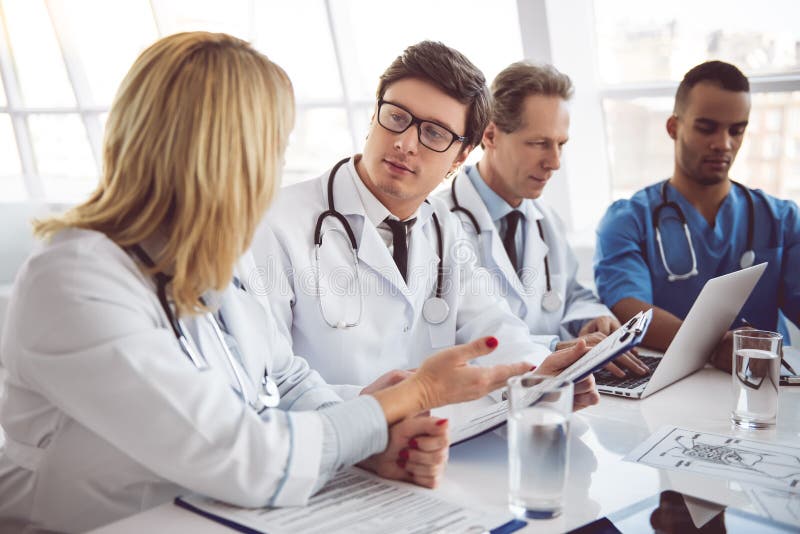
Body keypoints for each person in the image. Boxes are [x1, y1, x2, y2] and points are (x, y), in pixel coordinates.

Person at [0, 32, 538, 533]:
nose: (276, 166)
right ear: (219, 151)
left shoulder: (205, 260)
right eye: (272, 145)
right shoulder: (76, 280)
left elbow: (283, 380)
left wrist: (370, 437)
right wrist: (408, 398)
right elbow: (245, 456)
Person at [252, 41, 600, 404]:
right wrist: (367, 412)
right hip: (331, 447)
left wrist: (540, 373)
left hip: (433, 444)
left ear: (462, 155)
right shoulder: (277, 225)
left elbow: (493, 326)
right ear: (374, 116)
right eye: (397, 117)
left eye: (434, 133)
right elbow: (266, 379)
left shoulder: (442, 227)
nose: (405, 143)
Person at [436, 61, 648, 378]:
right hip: (487, 398)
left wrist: (590, 319)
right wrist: (553, 349)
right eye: (539, 143)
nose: (554, 162)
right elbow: (448, 336)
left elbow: (572, 292)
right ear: (490, 134)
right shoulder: (438, 224)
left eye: (560, 144)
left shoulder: (544, 219)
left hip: (558, 389)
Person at [594, 60, 800, 371]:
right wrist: (713, 346)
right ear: (673, 127)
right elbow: (628, 309)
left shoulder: (781, 219)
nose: (723, 144)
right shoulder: (628, 219)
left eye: (737, 130)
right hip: (670, 385)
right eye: (707, 128)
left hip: (764, 389)